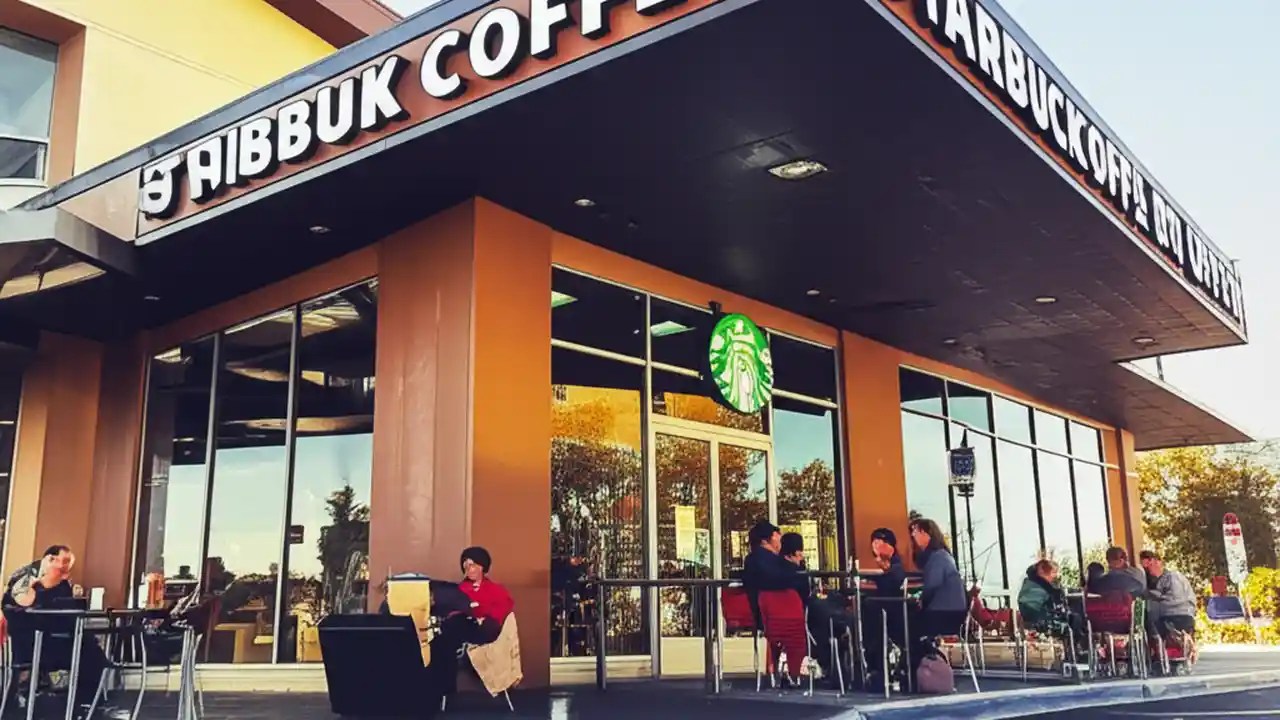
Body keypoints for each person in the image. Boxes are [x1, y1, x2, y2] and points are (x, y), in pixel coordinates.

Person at [2, 546, 118, 716]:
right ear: (49, 560)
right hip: (31, 644)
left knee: (88, 649)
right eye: (62, 562)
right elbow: (22, 603)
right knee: (88, 652)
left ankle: (84, 705)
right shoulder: (27, 576)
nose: (66, 568)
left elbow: (66, 612)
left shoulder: (62, 584)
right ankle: (84, 705)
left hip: (54, 640)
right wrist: (42, 584)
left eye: (68, 563)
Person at [430, 547, 515, 695]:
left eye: (473, 565)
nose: (469, 569)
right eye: (466, 566)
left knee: (448, 635)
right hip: (460, 631)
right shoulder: (458, 590)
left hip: (485, 631)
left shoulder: (495, 589)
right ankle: (446, 691)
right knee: (444, 641)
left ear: (482, 567)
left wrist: (481, 614)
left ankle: (445, 691)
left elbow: (504, 608)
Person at [907, 519, 967, 682]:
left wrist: (919, 600)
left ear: (927, 534)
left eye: (916, 531)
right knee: (911, 625)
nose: (912, 535)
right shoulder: (942, 556)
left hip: (944, 613)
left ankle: (917, 672)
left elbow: (932, 586)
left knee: (907, 626)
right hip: (952, 612)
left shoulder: (938, 557)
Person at [861, 528, 907, 692]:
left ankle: (876, 672)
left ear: (890, 545)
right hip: (888, 615)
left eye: (878, 542)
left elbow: (892, 586)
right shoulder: (888, 567)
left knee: (868, 617)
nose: (875, 547)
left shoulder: (896, 567)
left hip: (892, 616)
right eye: (873, 543)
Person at [1145, 554, 1197, 661]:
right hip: (1177, 615)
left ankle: (1159, 652)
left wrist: (1153, 598)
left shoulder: (1173, 577)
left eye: (1149, 565)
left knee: (1150, 618)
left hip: (1179, 615)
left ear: (1157, 562)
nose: (1147, 569)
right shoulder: (1159, 581)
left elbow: (1176, 599)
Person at [1017, 559, 1081, 642]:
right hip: (1044, 624)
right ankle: (1077, 650)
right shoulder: (1045, 587)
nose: (1055, 576)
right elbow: (1057, 602)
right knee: (1076, 620)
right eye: (1053, 572)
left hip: (1031, 624)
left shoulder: (1028, 584)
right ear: (1042, 572)